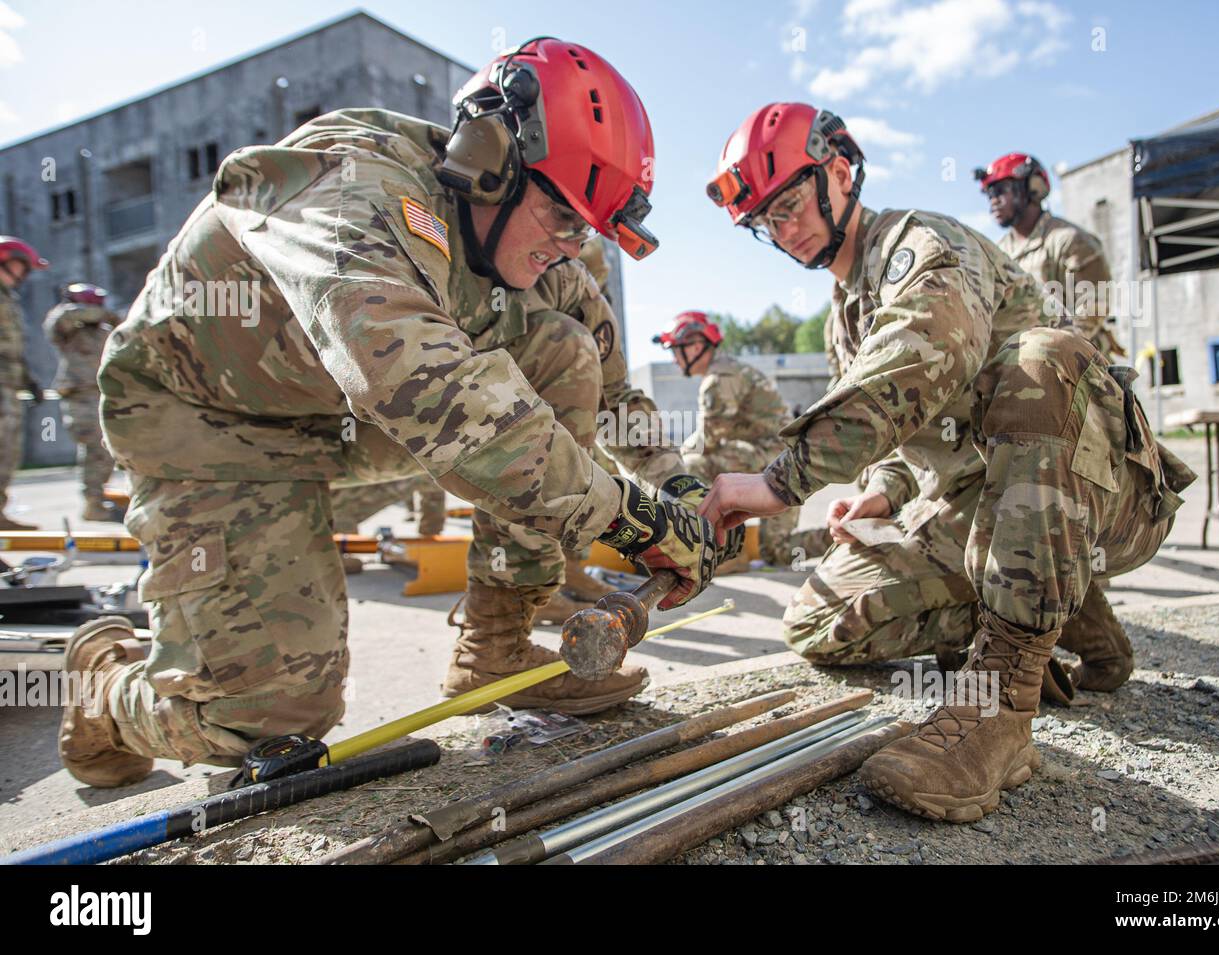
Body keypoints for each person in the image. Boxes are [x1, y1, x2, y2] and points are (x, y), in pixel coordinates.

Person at [59, 39, 733, 788]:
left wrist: (682, 495)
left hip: (344, 422)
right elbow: (428, 388)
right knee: (267, 720)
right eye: (562, 217)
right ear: (492, 157)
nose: (569, 245)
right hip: (208, 429)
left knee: (562, 351)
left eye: (585, 230)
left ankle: (495, 646)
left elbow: (610, 390)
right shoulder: (355, 183)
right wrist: (632, 521)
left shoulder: (550, 262)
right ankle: (104, 688)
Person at [699, 102, 1194, 822]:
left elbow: (923, 357)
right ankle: (1053, 605)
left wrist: (780, 482)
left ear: (839, 174)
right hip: (985, 506)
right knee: (817, 621)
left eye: (791, 204)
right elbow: (916, 434)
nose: (784, 230)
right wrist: (882, 489)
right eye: (766, 223)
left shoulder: (919, 245)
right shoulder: (848, 310)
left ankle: (998, 705)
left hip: (1103, 492)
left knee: (1043, 362)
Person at [654, 310, 828, 567]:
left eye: (675, 350)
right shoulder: (728, 370)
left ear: (695, 346)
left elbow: (707, 441)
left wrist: (663, 460)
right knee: (777, 553)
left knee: (690, 466)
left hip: (777, 461)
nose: (675, 360)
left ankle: (713, 554)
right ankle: (843, 534)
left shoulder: (720, 379)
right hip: (784, 463)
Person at [977, 152, 1126, 361]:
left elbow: (1093, 308)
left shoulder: (1070, 241)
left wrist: (1044, 352)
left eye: (1001, 190)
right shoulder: (997, 252)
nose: (993, 200)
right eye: (989, 194)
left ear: (1033, 188)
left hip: (1076, 370)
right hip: (1016, 367)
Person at [43, 284, 125, 521]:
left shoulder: (104, 331)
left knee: (109, 450)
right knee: (94, 447)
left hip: (105, 394)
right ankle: (93, 503)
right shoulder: (67, 328)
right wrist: (98, 312)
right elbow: (62, 319)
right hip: (81, 396)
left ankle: (97, 499)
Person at [0, 236, 48, 531]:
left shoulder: (8, 298)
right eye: (23, 266)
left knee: (6, 451)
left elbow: (12, 347)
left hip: (7, 385)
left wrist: (29, 379)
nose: (25, 275)